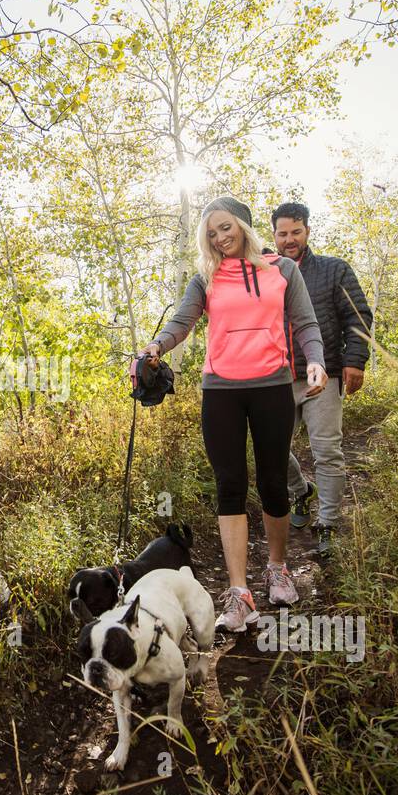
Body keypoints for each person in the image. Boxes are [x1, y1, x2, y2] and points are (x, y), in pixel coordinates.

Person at [143, 196, 326, 632]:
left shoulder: (282, 269)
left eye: (226, 228)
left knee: (272, 482)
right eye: (211, 233)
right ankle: (240, 592)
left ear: (243, 225)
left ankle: (278, 569)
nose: (221, 238)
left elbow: (306, 323)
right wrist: (155, 347)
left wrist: (315, 359)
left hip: (273, 387)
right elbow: (182, 322)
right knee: (230, 486)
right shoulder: (205, 277)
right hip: (221, 391)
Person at [271, 202, 373, 558]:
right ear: (274, 235)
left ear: (308, 232)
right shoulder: (266, 272)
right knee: (273, 450)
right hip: (276, 377)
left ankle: (327, 523)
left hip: (322, 375)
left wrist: (355, 360)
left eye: (296, 232)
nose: (289, 240)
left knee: (327, 451)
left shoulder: (333, 270)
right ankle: (301, 491)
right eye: (282, 234)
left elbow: (358, 315)